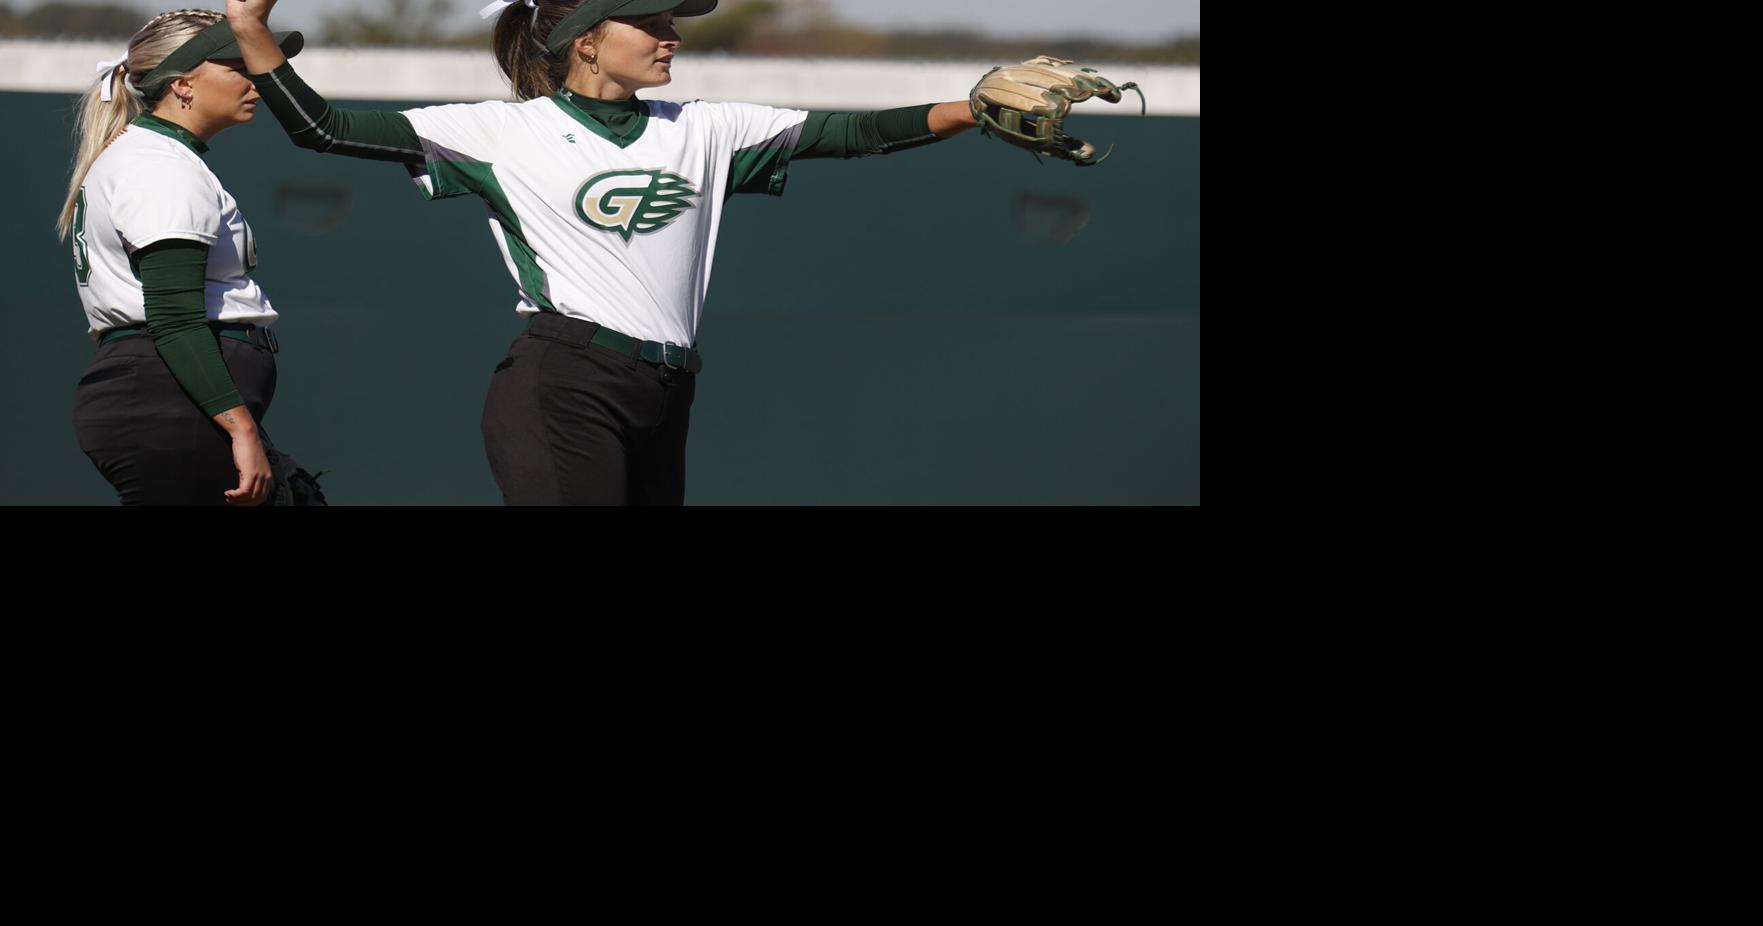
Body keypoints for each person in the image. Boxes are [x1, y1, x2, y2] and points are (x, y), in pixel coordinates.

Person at [227, 0, 982, 505]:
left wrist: (975, 108)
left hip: (665, 388)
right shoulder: (501, 133)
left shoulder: (703, 128)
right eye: (647, 21)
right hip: (566, 379)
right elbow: (322, 128)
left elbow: (859, 134)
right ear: (585, 42)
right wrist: (250, 30)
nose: (671, 36)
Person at [60, 8, 306, 506]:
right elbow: (174, 317)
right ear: (182, 83)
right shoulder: (159, 166)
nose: (258, 77)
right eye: (237, 66)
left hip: (172, 399)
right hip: (170, 398)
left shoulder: (153, 155)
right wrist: (241, 429)